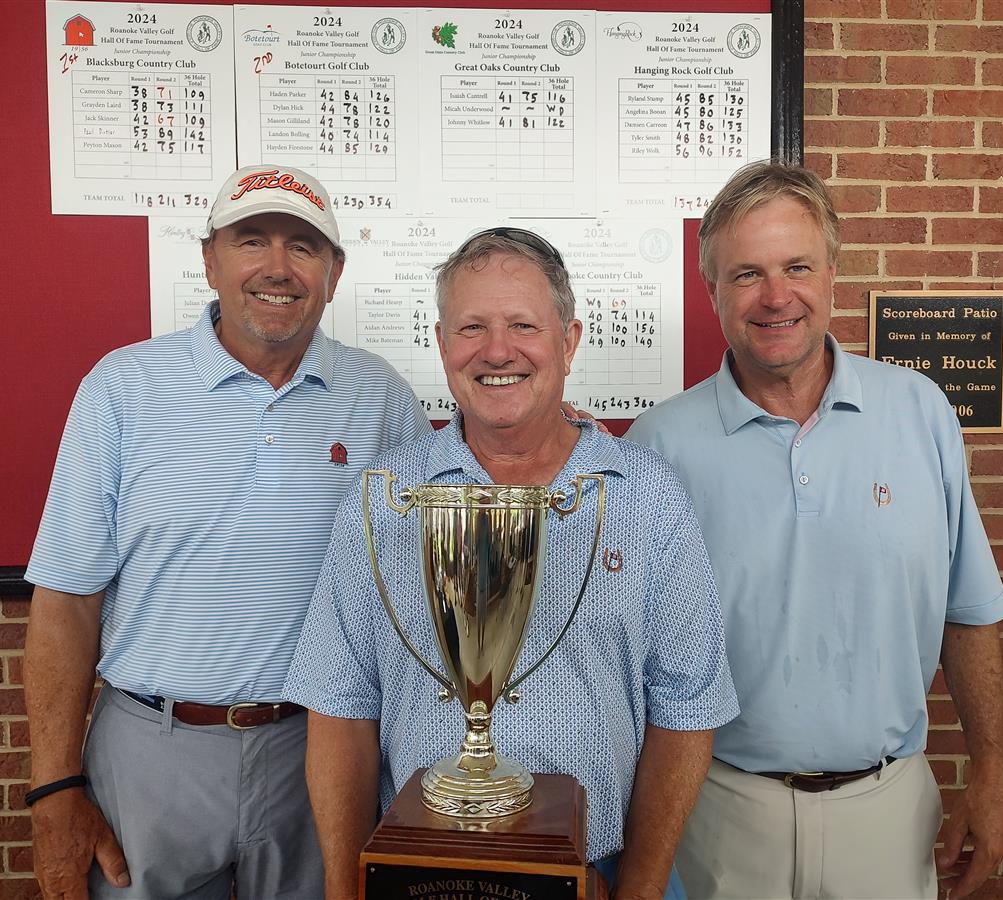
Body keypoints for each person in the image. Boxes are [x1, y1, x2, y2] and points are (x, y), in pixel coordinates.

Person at [284, 227, 739, 899]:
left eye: (523, 324)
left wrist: (639, 889)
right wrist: (346, 887)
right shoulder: (385, 499)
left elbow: (685, 707)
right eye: (471, 327)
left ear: (569, 339)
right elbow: (341, 707)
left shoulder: (649, 498)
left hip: (603, 877)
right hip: (418, 878)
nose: (497, 350)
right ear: (441, 345)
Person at [22, 164, 430, 899]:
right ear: (210, 259)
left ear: (335, 273)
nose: (277, 268)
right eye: (252, 241)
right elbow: (66, 603)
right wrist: (53, 790)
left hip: (318, 754)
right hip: (151, 752)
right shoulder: (122, 388)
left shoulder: (384, 403)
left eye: (304, 247)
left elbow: (415, 601)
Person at [625, 161, 1003, 900]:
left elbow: (967, 612)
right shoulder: (657, 447)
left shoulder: (922, 413)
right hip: (718, 818)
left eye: (797, 266)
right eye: (746, 274)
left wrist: (993, 771)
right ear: (712, 292)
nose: (776, 297)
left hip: (889, 816)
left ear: (833, 272)